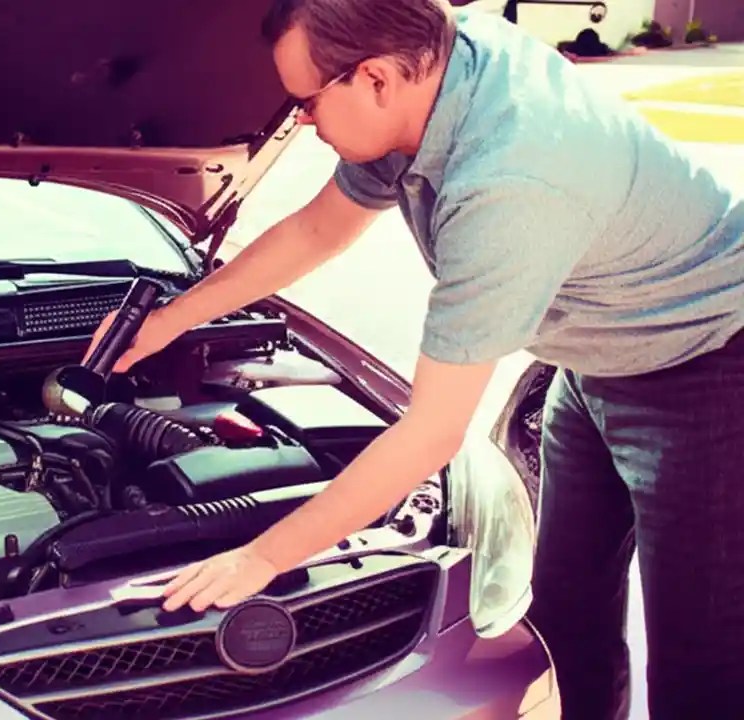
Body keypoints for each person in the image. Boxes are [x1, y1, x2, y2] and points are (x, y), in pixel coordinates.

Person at [83, 1, 744, 718]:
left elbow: (430, 433)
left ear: (375, 80)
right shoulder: (430, 75)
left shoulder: (510, 184)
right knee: (565, 616)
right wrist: (169, 321)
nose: (299, 121)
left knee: (699, 663)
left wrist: (263, 557)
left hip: (706, 364)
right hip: (592, 359)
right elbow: (317, 229)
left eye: (305, 101)